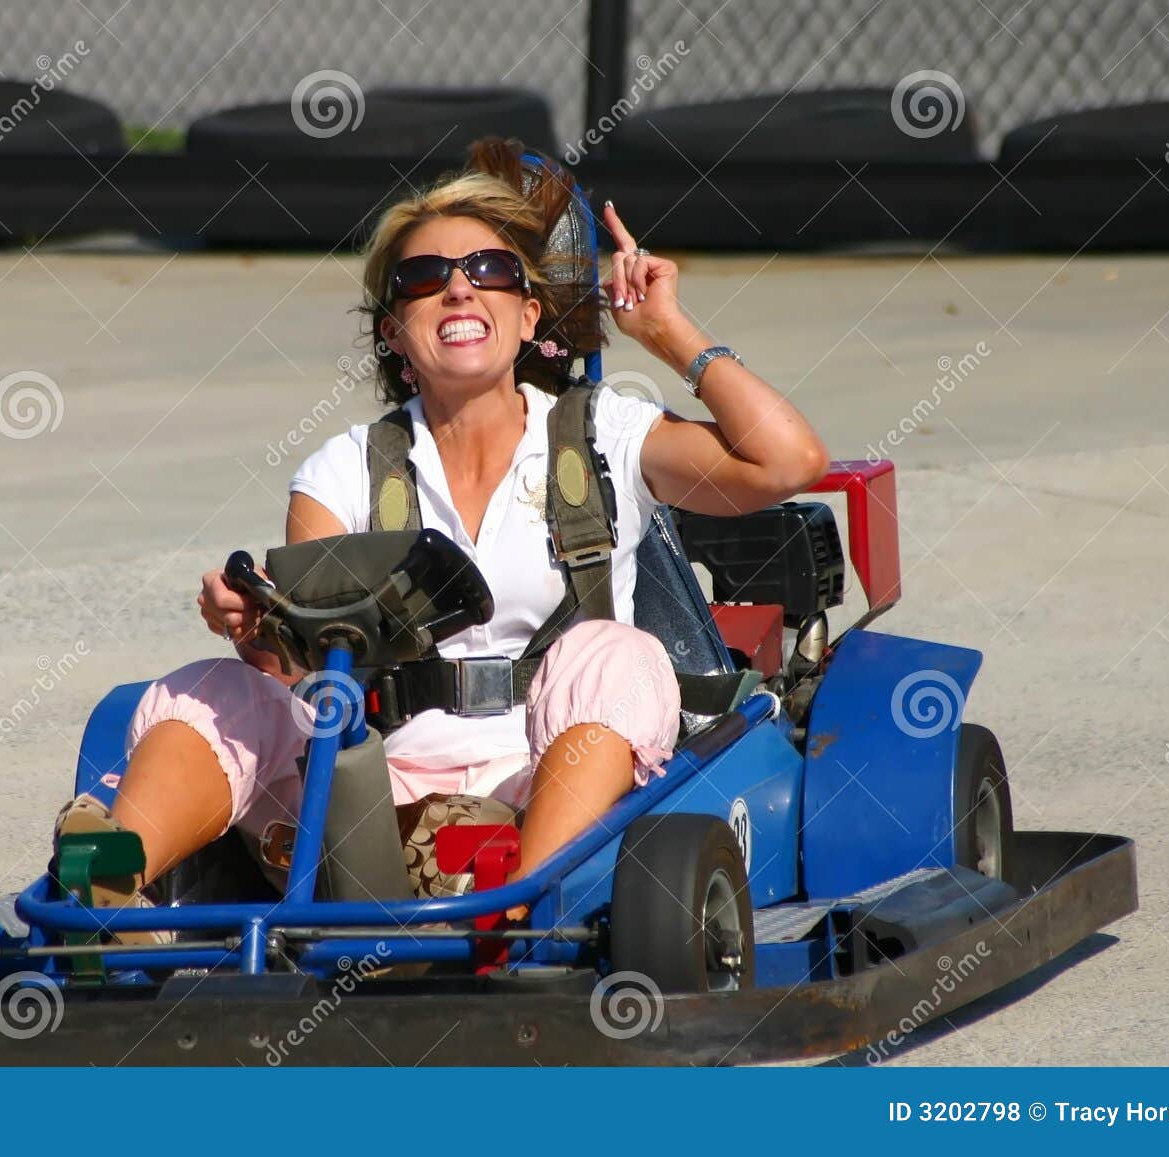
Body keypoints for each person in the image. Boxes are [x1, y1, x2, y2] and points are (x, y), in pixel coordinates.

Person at [56, 140, 827, 921]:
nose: (458, 290)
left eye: (488, 271)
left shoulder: (609, 435)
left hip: (553, 777)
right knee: (215, 689)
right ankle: (110, 894)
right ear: (395, 331)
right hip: (374, 788)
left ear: (528, 315)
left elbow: (786, 460)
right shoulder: (346, 468)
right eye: (426, 280)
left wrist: (667, 334)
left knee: (618, 653)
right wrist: (259, 630)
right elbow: (308, 685)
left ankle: (516, 902)